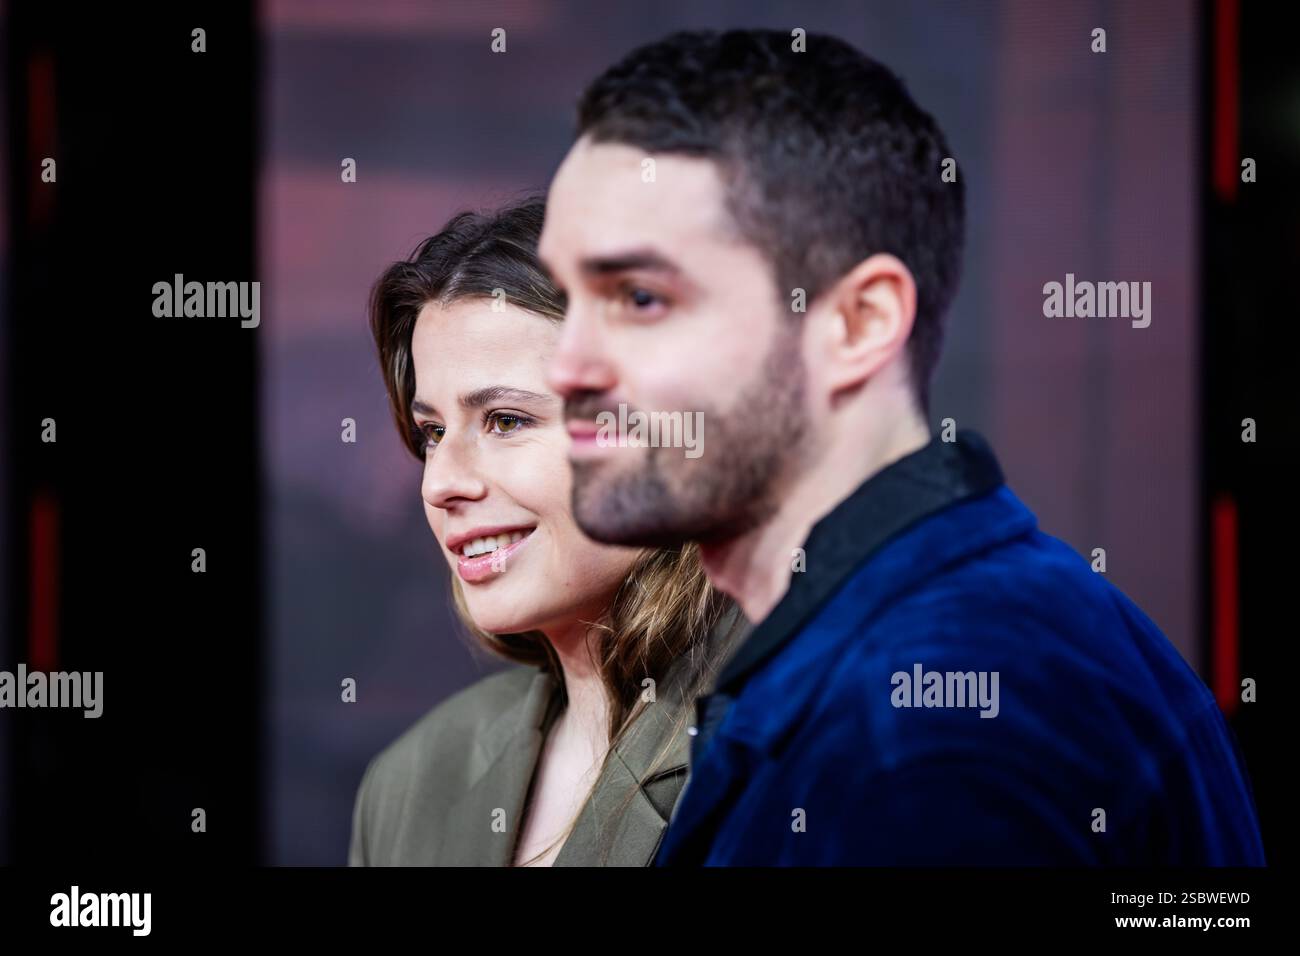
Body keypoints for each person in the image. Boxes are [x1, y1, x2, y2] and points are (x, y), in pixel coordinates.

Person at [536, 29, 1267, 864]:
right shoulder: (934, 646)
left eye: (638, 296)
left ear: (860, 322)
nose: (567, 366)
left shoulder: (923, 730)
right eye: (568, 297)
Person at [349, 197, 745, 866]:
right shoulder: (410, 781)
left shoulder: (803, 749)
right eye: (432, 433)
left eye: (506, 421)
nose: (440, 482)